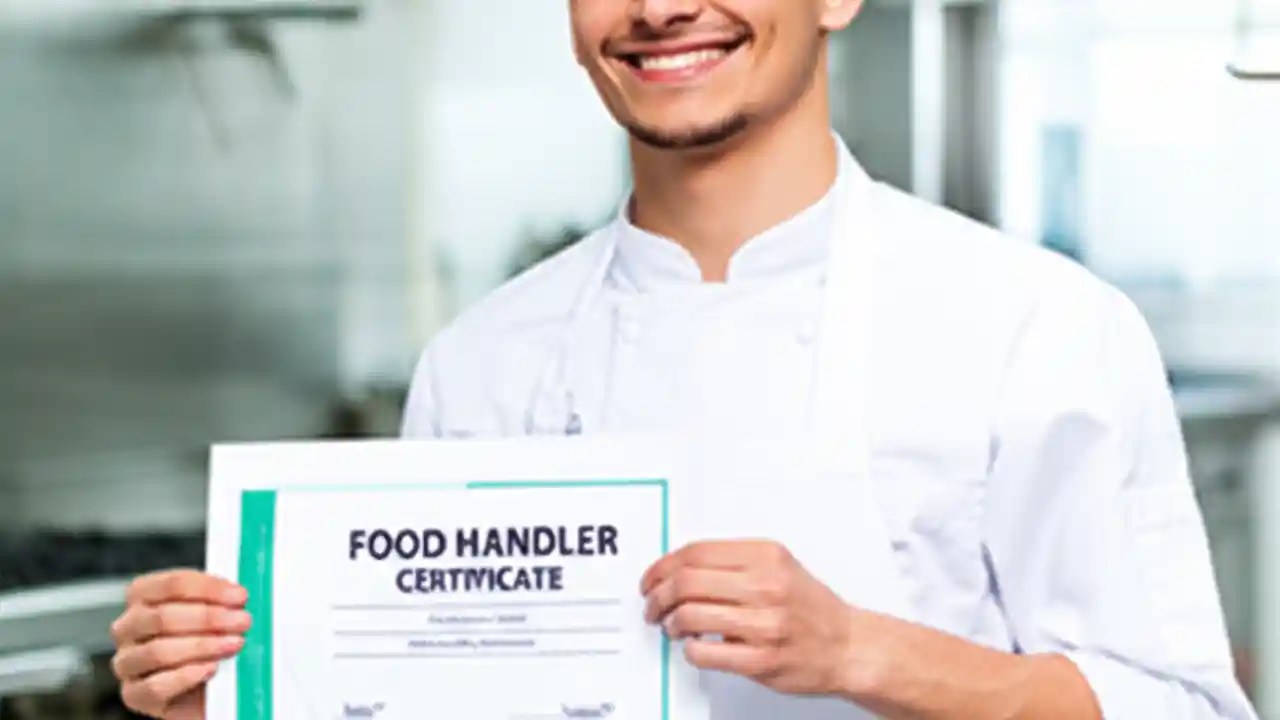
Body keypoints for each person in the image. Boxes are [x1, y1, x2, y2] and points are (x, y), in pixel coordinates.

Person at [108, 0, 1259, 718]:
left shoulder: (1037, 323)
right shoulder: (482, 359)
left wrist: (859, 650)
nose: (658, 9)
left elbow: (1177, 711)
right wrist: (242, 694)